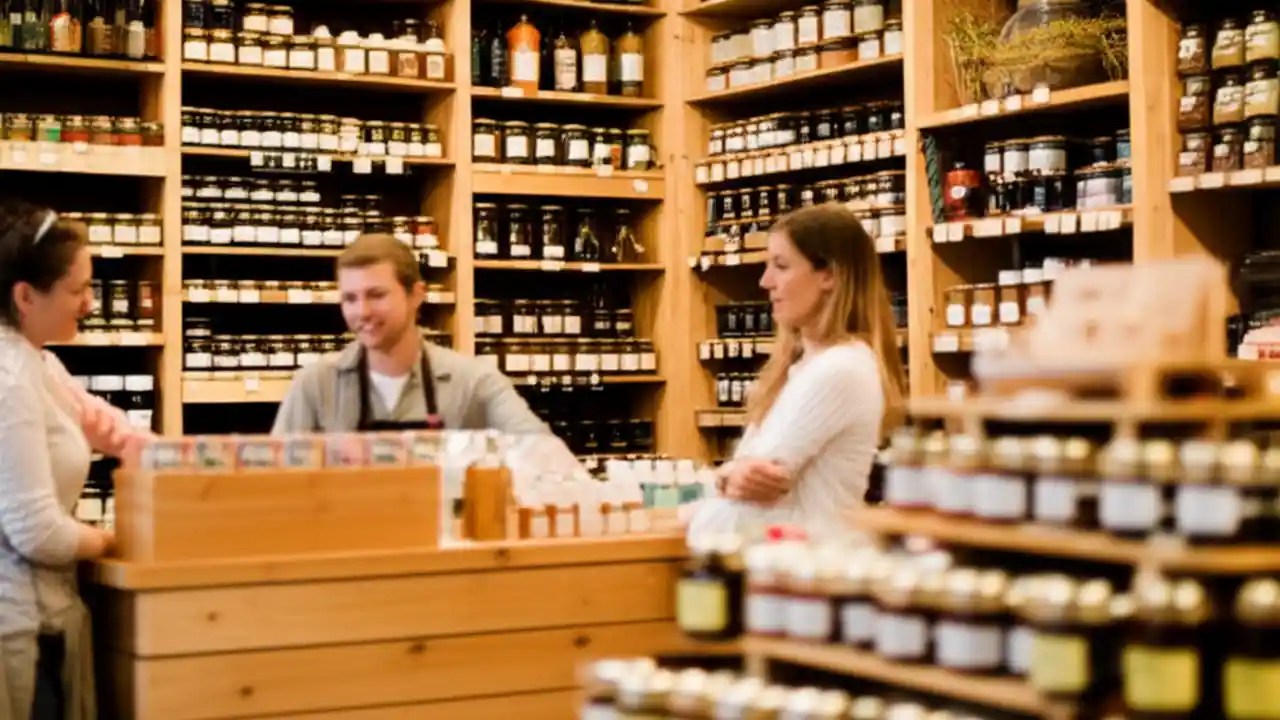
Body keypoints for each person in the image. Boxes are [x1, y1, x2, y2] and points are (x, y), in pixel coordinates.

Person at [0, 200, 149, 719]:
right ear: (25, 295)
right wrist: (113, 540)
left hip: (43, 621)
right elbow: (36, 530)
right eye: (77, 289)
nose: (89, 303)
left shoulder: (39, 362)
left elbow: (107, 425)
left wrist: (197, 462)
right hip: (16, 629)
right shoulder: (10, 378)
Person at [688, 204, 906, 540]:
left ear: (829, 275)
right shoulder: (803, 366)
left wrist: (730, 477)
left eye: (781, 266)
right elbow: (742, 474)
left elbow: (760, 478)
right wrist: (729, 476)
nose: (765, 281)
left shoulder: (840, 368)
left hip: (809, 565)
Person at [272, 233, 551, 436]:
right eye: (350, 298)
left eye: (376, 295)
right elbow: (275, 483)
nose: (362, 311)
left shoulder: (473, 383)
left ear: (416, 295)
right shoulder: (315, 385)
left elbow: (544, 456)